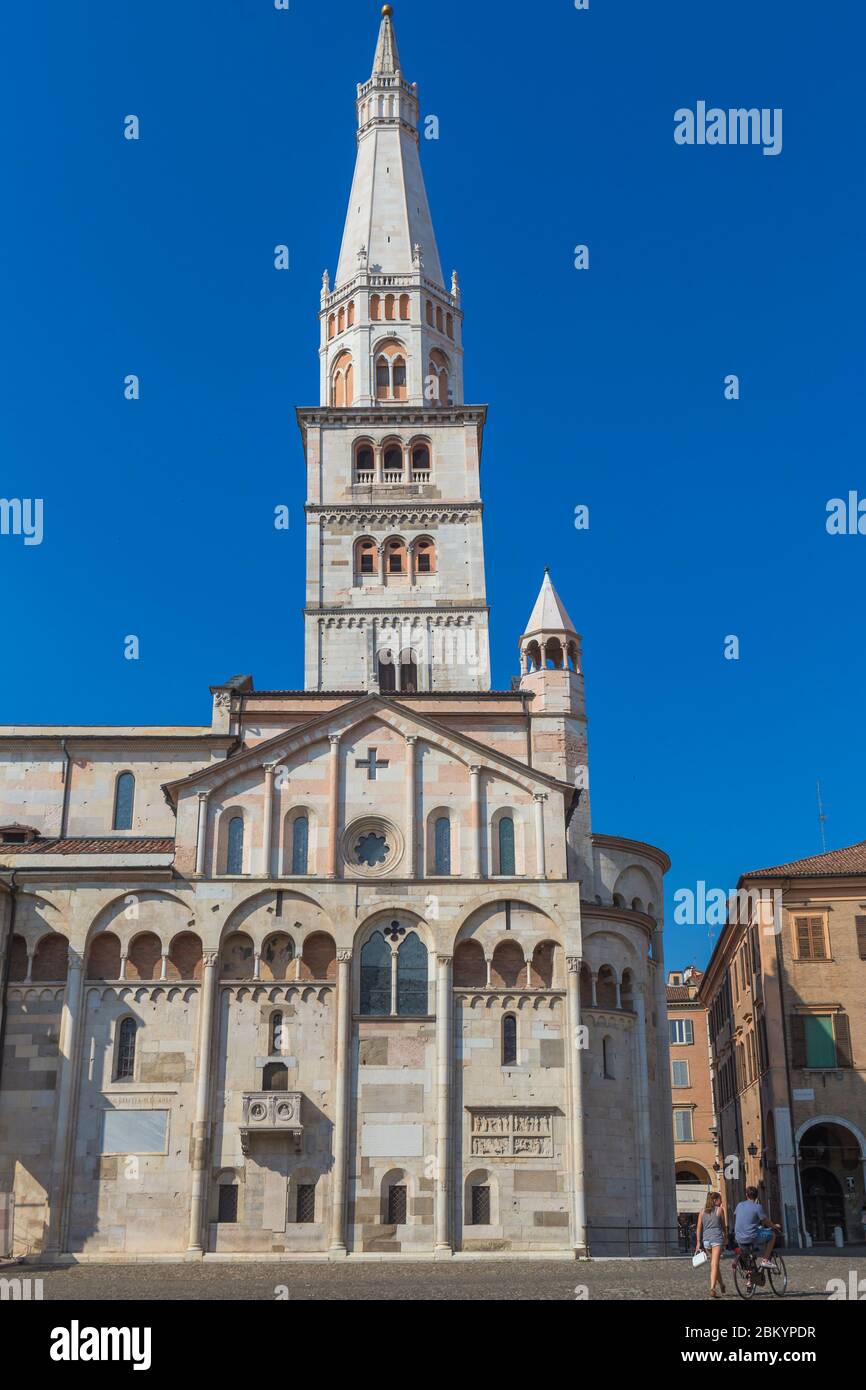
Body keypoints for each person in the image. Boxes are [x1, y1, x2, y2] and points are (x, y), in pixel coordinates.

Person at [733, 1186, 780, 1268]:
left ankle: (750, 1278)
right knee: (772, 1235)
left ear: (746, 1195)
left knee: (749, 1257)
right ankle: (765, 1260)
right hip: (751, 1236)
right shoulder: (757, 1207)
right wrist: (774, 1226)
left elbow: (738, 1216)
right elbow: (766, 1222)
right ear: (757, 1196)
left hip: (738, 1237)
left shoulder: (739, 1205)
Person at [695, 1191, 728, 1296]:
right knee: (715, 1264)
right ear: (715, 1200)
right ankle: (712, 1288)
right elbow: (723, 1226)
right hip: (716, 1239)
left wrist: (698, 1243)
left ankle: (722, 1284)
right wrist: (726, 1237)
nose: (721, 1201)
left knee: (715, 1264)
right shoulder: (719, 1210)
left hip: (706, 1241)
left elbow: (698, 1228)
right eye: (719, 1199)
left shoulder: (701, 1212)